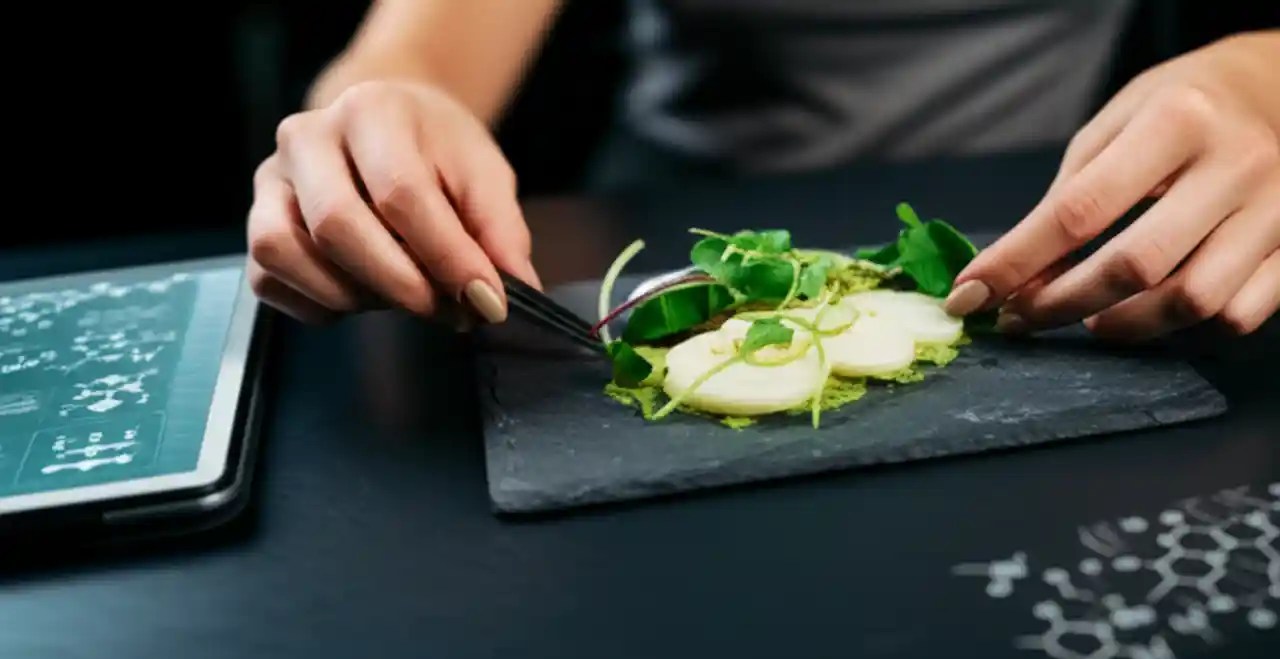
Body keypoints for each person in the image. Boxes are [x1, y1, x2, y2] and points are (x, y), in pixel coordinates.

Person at [245, 0, 1279, 342]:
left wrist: (1261, 77)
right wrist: (372, 122)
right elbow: (415, 53)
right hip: (660, 237)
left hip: (1038, 256)